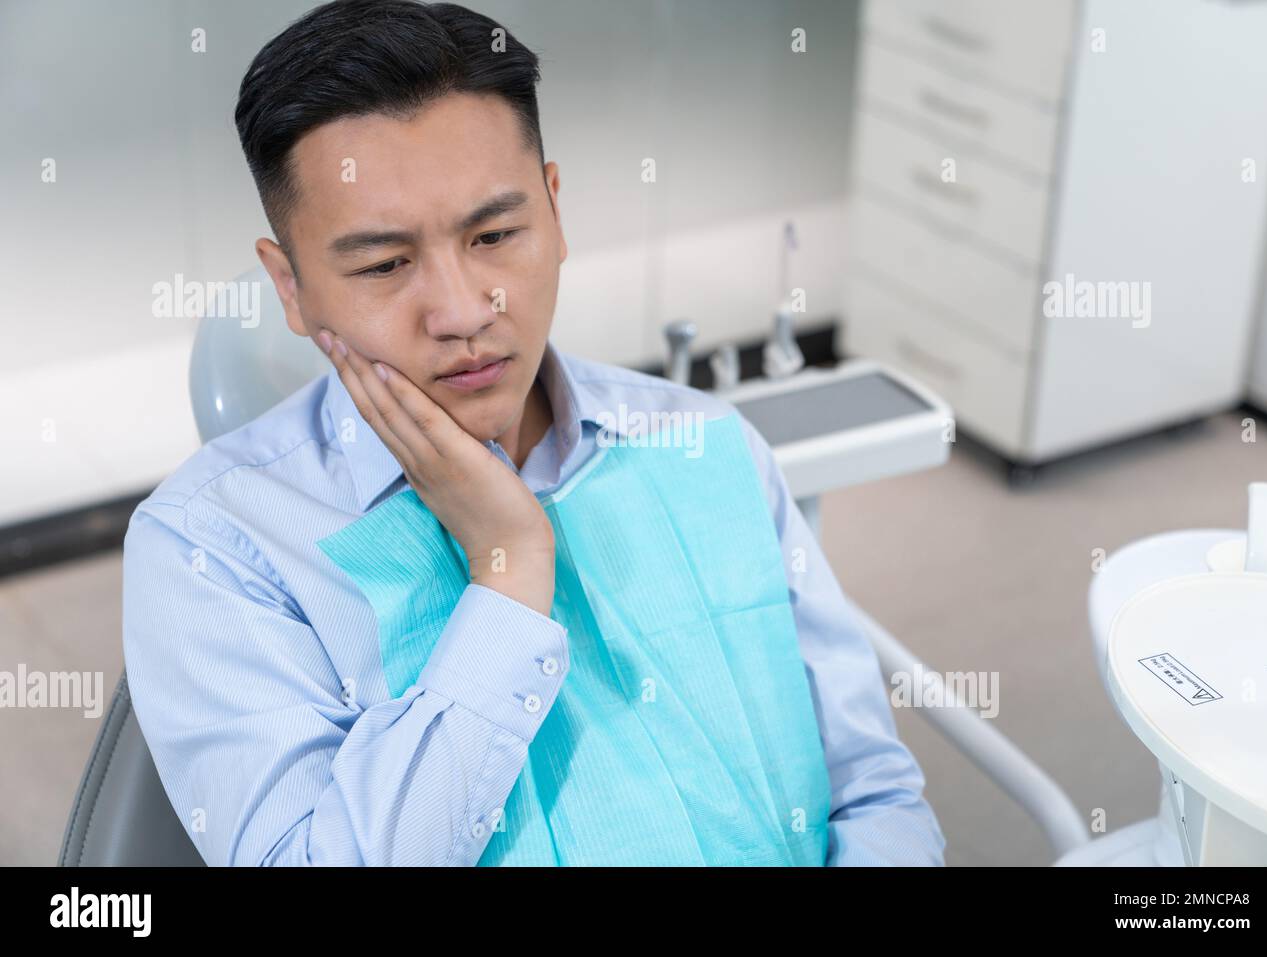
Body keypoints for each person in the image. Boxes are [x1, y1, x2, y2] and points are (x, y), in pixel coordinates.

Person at [122, 0, 945, 866]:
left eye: (496, 234)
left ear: (555, 213)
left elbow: (874, 792)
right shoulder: (214, 548)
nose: (465, 310)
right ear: (290, 286)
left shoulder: (709, 444)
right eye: (385, 264)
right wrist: (509, 569)